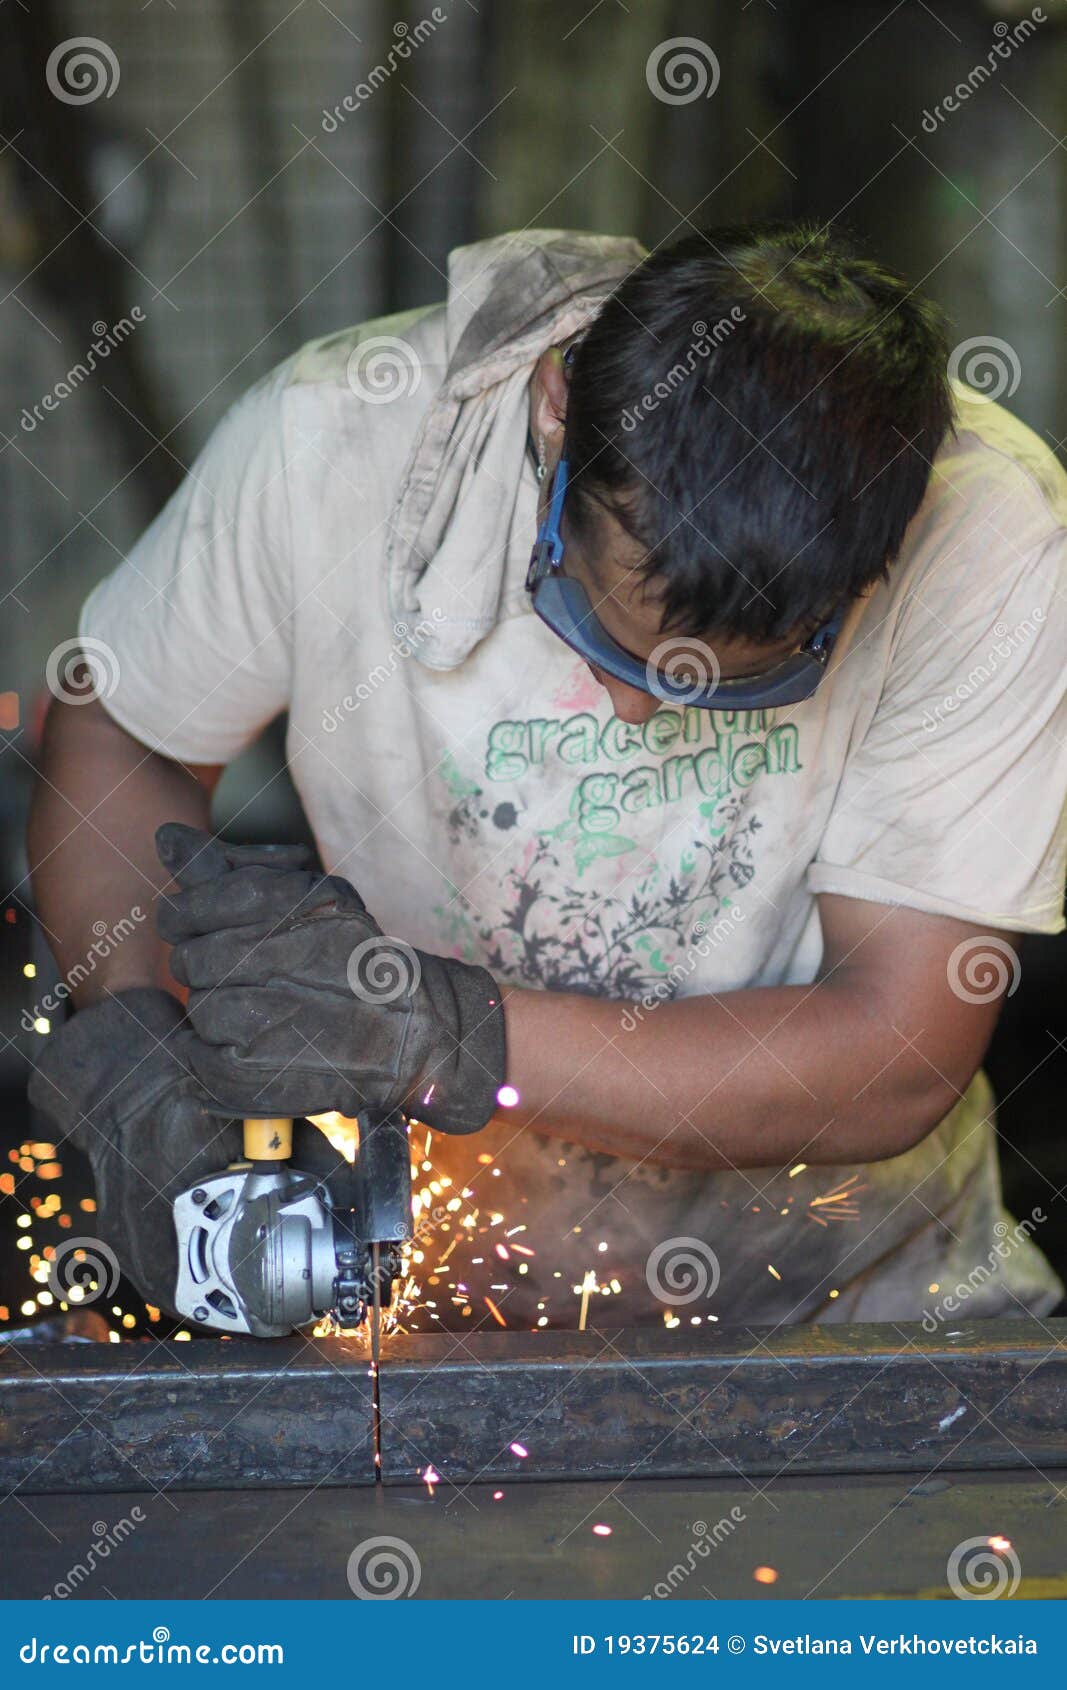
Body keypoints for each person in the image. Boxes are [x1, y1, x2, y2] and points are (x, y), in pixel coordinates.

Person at [28, 223, 1067, 1330]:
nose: (633, 710)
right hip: (421, 1310)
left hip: (852, 1307)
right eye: (592, 626)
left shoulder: (991, 537)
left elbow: (894, 1052)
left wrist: (450, 1035)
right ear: (554, 409)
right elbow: (126, 738)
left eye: (735, 685)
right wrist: (137, 1039)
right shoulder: (329, 439)